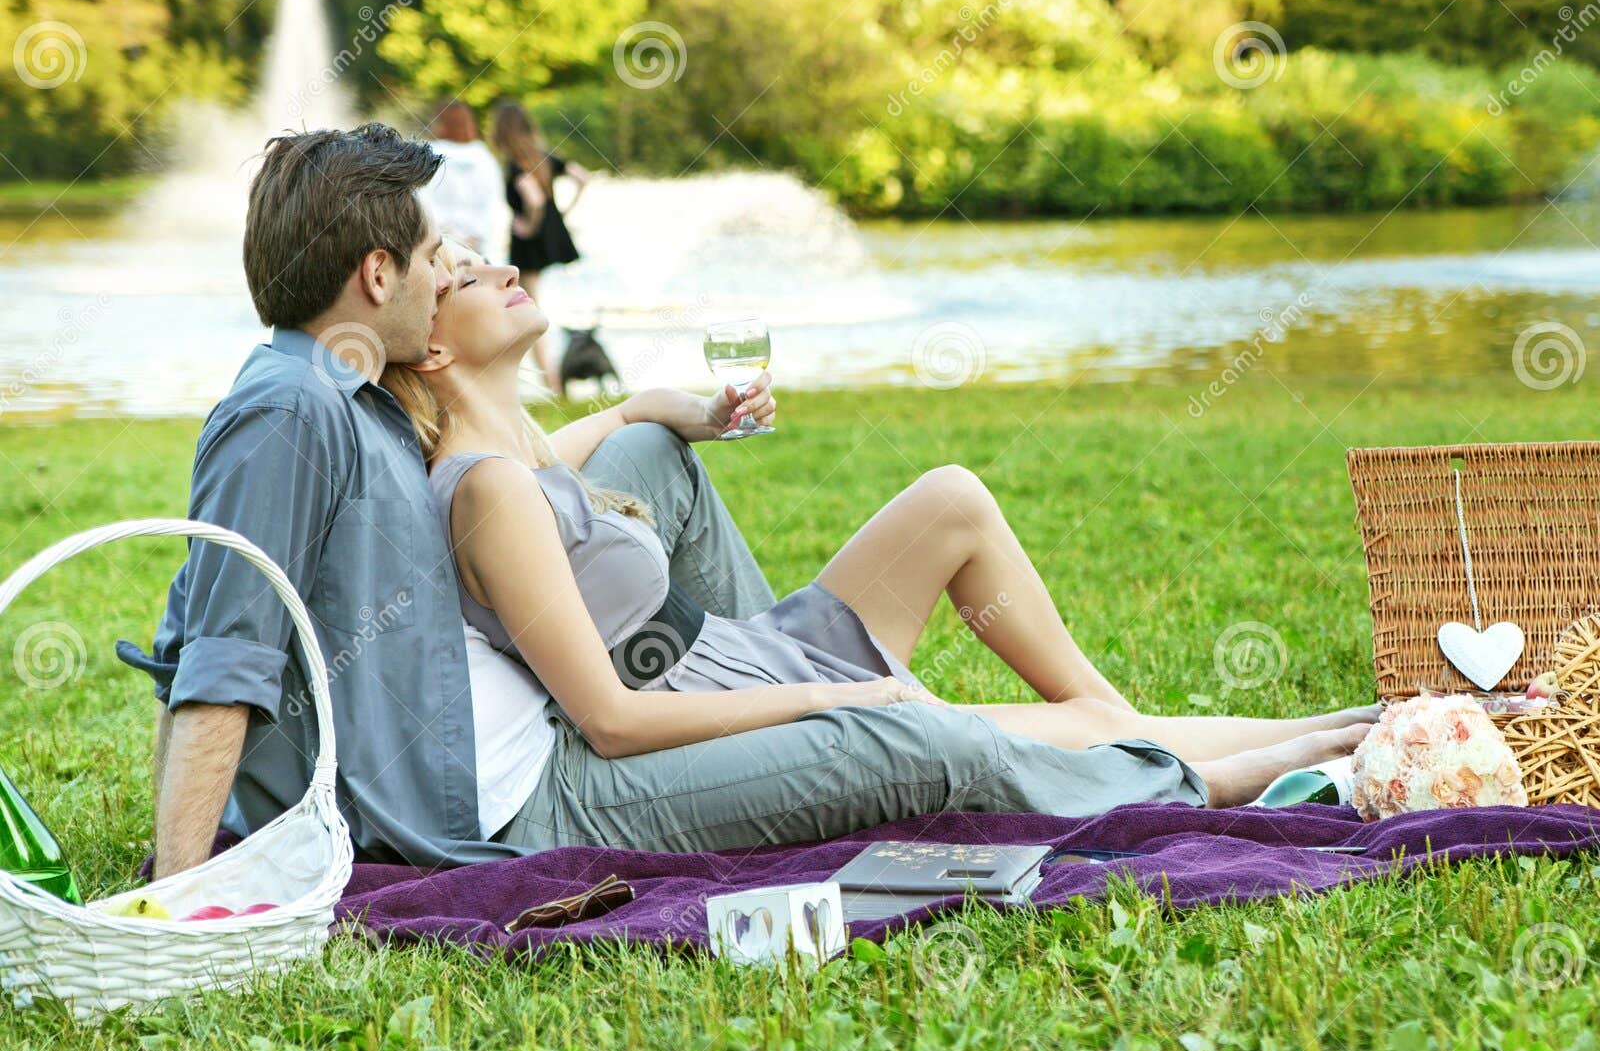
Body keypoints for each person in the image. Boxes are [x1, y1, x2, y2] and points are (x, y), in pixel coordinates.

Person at [380, 247, 1377, 856]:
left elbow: (552, 458)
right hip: (705, 711)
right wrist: (839, 699)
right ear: (431, 350)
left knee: (951, 501)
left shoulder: (508, 458)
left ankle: (1134, 725)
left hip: (745, 652)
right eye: (469, 276)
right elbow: (609, 721)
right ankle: (1234, 765)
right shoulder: (485, 490)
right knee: (963, 734)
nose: (508, 270)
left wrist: (655, 406)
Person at [117, 125, 777, 876]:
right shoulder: (291, 414)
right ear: (376, 275)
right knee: (904, 746)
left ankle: (774, 671)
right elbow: (219, 660)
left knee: (650, 452)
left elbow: (495, 485)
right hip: (489, 798)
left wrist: (632, 411)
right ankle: (799, 708)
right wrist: (174, 896)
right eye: (434, 260)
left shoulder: (353, 396)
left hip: (516, 744)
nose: (443, 279)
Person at [490, 100, 589, 392]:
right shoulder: (545, 157)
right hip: (553, 239)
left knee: (530, 311)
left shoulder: (514, 165)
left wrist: (530, 225)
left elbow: (532, 199)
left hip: (529, 245)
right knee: (541, 306)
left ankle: (553, 385)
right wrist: (564, 212)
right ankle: (556, 379)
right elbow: (583, 178)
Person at [417, 98, 507, 258]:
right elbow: (495, 203)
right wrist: (477, 235)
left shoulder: (429, 155)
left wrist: (451, 234)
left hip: (442, 244)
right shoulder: (484, 158)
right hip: (479, 246)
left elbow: (423, 200)